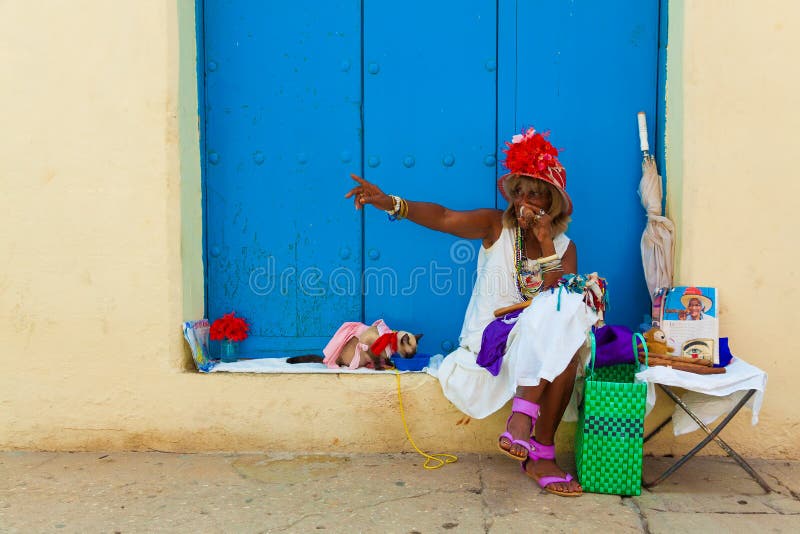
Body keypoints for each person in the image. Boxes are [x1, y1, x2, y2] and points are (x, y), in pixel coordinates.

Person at [345, 128, 603, 497]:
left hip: (537, 347)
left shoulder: (564, 247)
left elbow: (559, 302)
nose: (524, 201)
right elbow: (445, 217)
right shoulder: (496, 225)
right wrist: (391, 203)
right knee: (560, 328)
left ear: (551, 202)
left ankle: (538, 449)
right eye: (520, 192)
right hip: (492, 342)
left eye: (535, 193)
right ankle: (527, 428)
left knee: (566, 324)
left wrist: (545, 240)